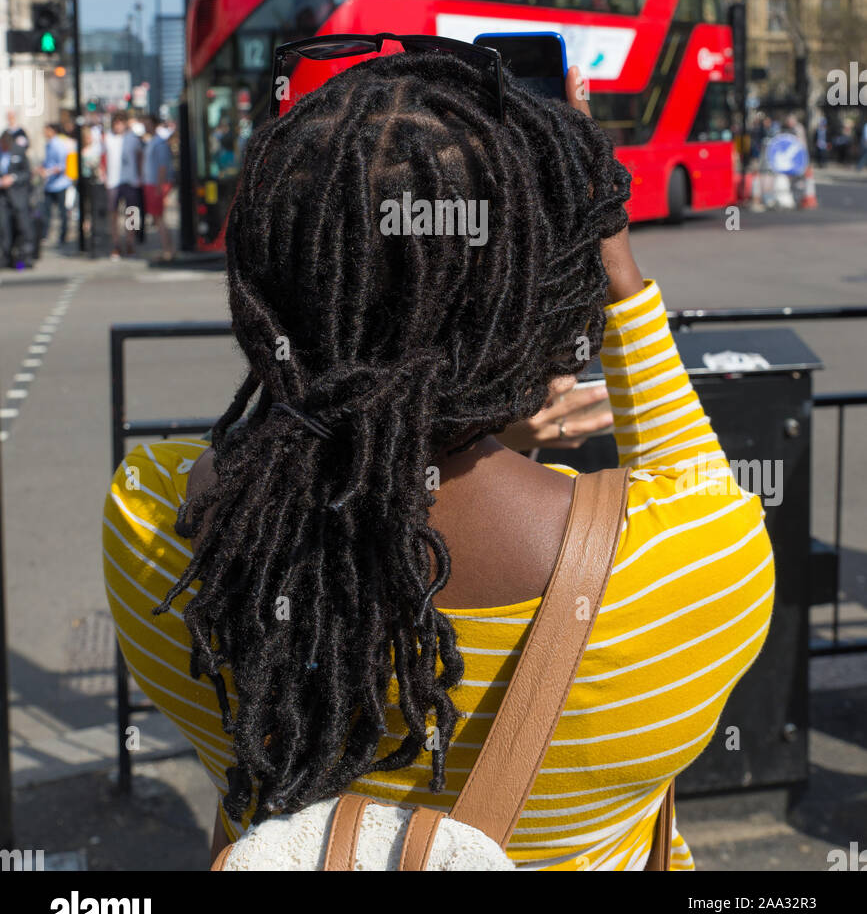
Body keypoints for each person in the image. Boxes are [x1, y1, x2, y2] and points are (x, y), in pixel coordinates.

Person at [104, 52, 774, 871]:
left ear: (260, 278)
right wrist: (617, 275)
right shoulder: (692, 563)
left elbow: (343, 465)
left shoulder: (150, 517)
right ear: (546, 294)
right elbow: (694, 479)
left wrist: (414, 440)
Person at [104, 111, 142, 258]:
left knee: (131, 213)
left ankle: (130, 242)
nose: (118, 126)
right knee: (113, 214)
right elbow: (103, 157)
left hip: (130, 180)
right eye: (116, 123)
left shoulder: (133, 139)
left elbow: (140, 157)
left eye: (121, 123)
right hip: (113, 180)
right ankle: (116, 244)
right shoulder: (108, 138)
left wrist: (139, 176)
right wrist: (104, 175)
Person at [0, 127, 34, 268]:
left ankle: (24, 258)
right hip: (3, 197)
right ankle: (5, 257)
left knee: (23, 227)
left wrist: (13, 178)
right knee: (4, 227)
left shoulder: (19, 151)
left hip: (18, 196)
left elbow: (27, 173)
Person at [142, 116, 175, 261]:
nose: (146, 127)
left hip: (156, 184)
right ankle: (167, 248)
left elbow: (163, 167)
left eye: (148, 124)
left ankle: (168, 250)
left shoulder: (159, 143)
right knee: (158, 218)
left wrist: (159, 187)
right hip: (152, 183)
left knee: (160, 218)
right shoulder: (152, 142)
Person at [39, 122, 72, 248]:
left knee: (62, 212)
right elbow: (48, 162)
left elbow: (62, 165)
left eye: (46, 130)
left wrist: (48, 172)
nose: (44, 133)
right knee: (46, 211)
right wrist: (41, 168)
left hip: (60, 184)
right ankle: (45, 235)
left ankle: (63, 235)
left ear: (52, 131)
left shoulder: (58, 145)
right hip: (49, 184)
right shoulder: (48, 144)